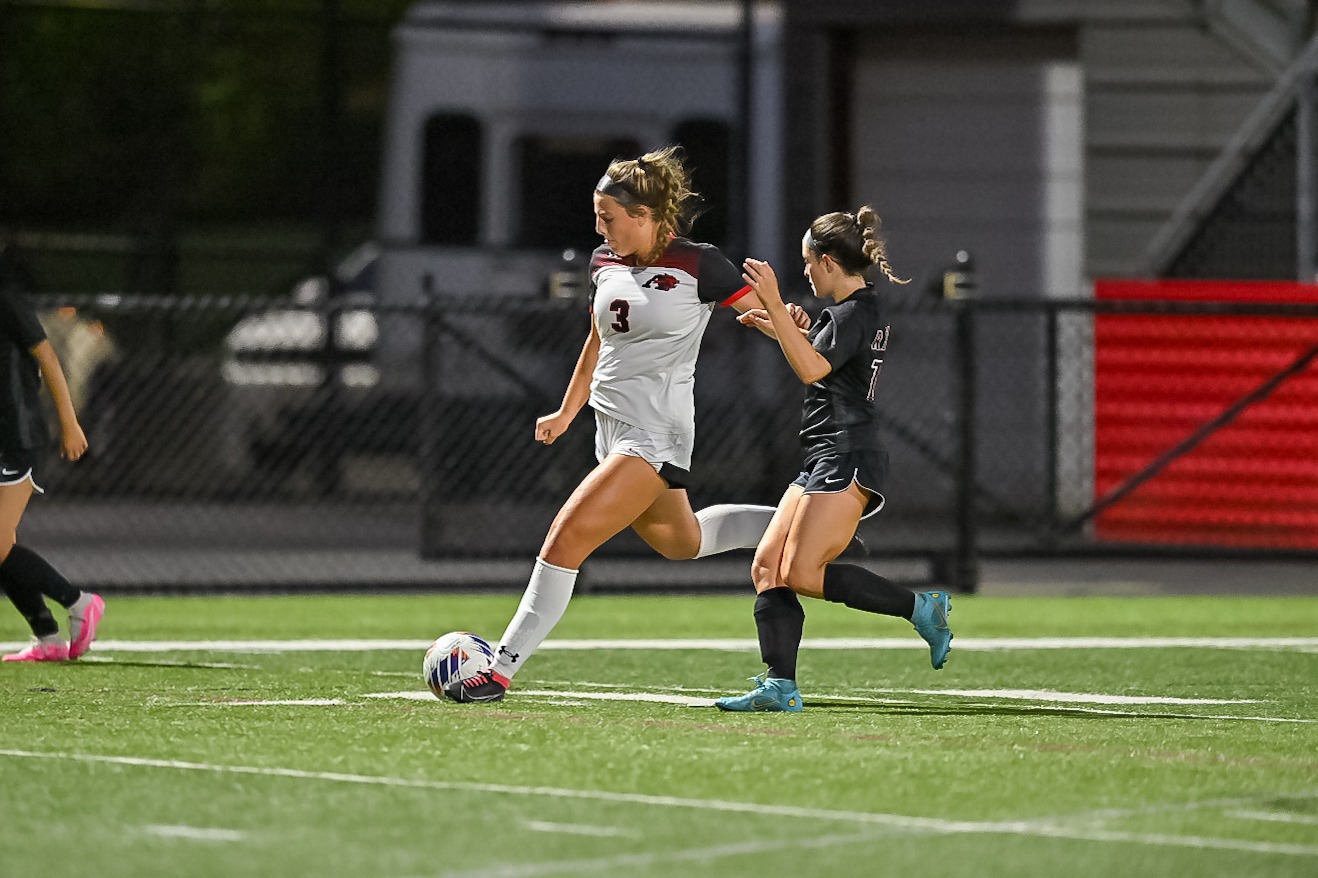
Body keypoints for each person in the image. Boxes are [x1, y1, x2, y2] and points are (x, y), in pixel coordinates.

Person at [445, 145, 804, 703]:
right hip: (610, 431)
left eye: (608, 217)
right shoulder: (603, 262)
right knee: (683, 542)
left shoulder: (699, 263)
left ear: (644, 215)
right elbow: (596, 340)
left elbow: (763, 315)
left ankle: (499, 670)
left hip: (655, 435)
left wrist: (787, 319)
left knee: (565, 539)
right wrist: (567, 411)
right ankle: (801, 525)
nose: (600, 228)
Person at [714, 206, 952, 712]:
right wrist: (779, 325)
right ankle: (780, 687)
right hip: (824, 453)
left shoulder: (853, 313)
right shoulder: (855, 310)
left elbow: (811, 370)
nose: (804, 272)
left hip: (847, 453)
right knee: (768, 567)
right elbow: (820, 358)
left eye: (807, 263)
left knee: (802, 571)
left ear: (826, 261)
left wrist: (775, 305)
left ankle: (920, 607)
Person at [1, 287, 103, 662]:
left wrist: (69, 424)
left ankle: (79, 602)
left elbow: (47, 356)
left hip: (18, 437)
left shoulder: (5, 297)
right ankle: (48, 638)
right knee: (3, 545)